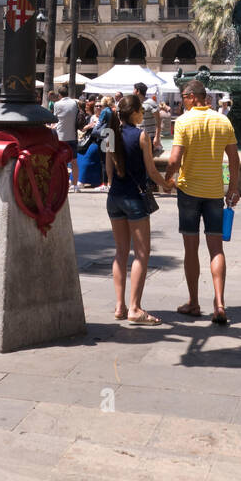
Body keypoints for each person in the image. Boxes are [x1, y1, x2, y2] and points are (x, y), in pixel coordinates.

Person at [165, 79, 240, 324]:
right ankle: (219, 304)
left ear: (190, 96)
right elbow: (234, 158)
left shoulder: (184, 121)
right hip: (215, 191)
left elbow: (175, 159)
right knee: (216, 248)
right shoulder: (223, 120)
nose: (182, 102)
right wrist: (234, 187)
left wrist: (166, 178)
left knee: (190, 248)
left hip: (188, 191)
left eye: (183, 97)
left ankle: (194, 302)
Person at [105, 94, 173, 324]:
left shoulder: (110, 133)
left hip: (114, 196)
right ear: (134, 112)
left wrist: (116, 184)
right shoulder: (142, 135)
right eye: (141, 110)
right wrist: (167, 185)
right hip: (134, 198)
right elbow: (152, 171)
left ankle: (119, 305)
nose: (143, 113)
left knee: (120, 251)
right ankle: (135, 308)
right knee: (141, 253)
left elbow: (108, 168)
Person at [52, 84, 81, 190]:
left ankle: (62, 183)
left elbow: (55, 119)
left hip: (61, 136)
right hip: (72, 135)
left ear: (59, 95)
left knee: (61, 162)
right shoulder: (74, 103)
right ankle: (75, 185)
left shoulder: (57, 104)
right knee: (74, 162)